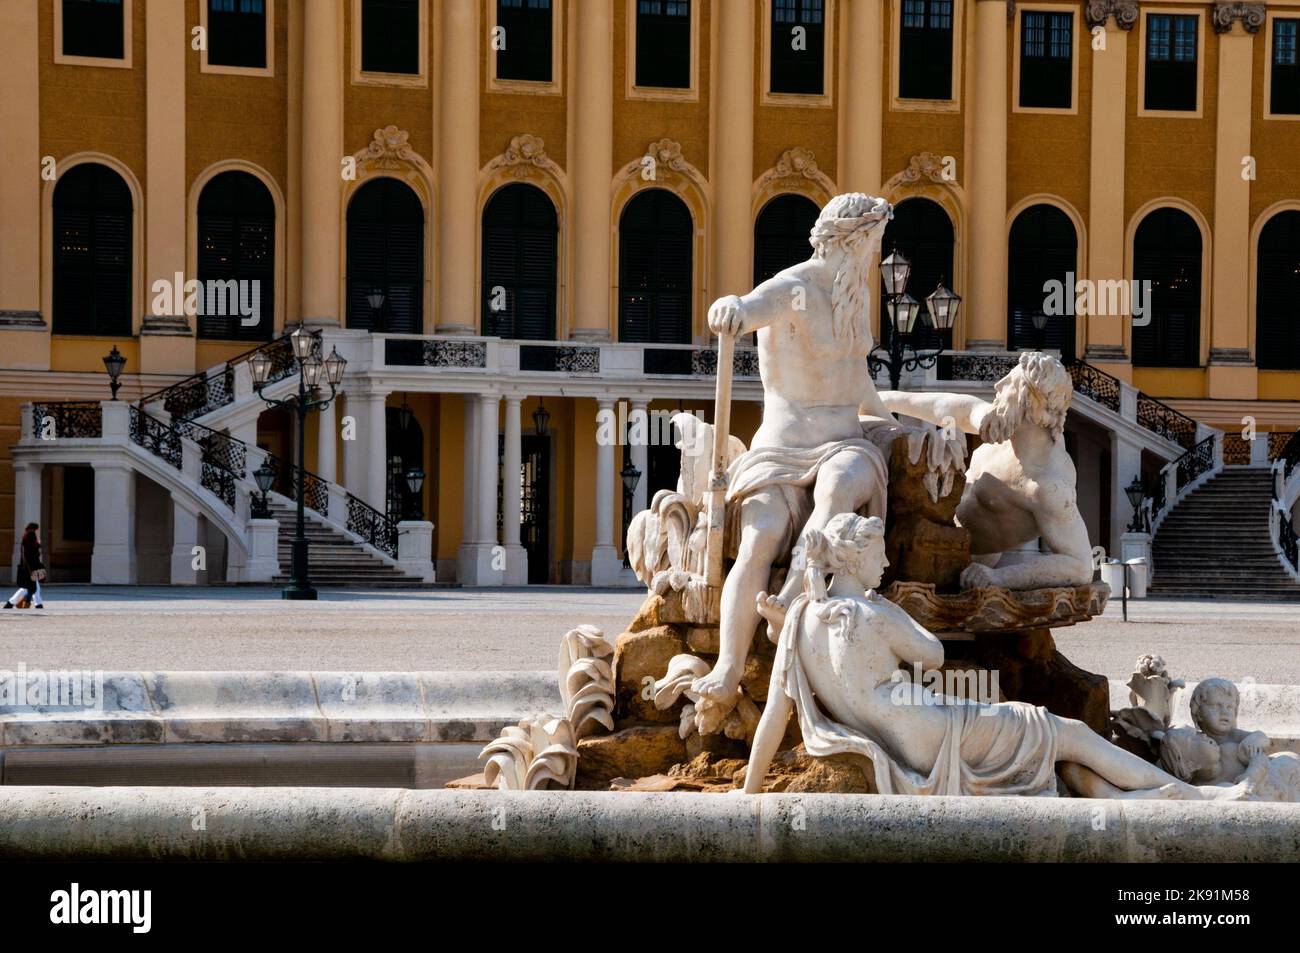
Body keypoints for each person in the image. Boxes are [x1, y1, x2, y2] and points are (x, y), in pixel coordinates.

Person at [743, 512, 1205, 799]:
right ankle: (1188, 794)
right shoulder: (873, 613)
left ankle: (1131, 799)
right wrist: (892, 609)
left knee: (1054, 746)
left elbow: (774, 716)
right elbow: (934, 655)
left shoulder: (801, 617)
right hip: (935, 735)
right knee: (1068, 730)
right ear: (853, 559)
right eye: (879, 557)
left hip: (909, 737)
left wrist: (749, 790)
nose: (884, 566)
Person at [6, 522, 46, 609]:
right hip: (31, 567)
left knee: (29, 587)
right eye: (36, 529)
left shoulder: (26, 536)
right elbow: (32, 552)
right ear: (34, 529)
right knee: (32, 587)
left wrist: (38, 544)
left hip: (28, 566)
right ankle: (32, 604)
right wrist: (38, 545)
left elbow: (29, 550)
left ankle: (10, 603)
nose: (37, 531)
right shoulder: (31, 535)